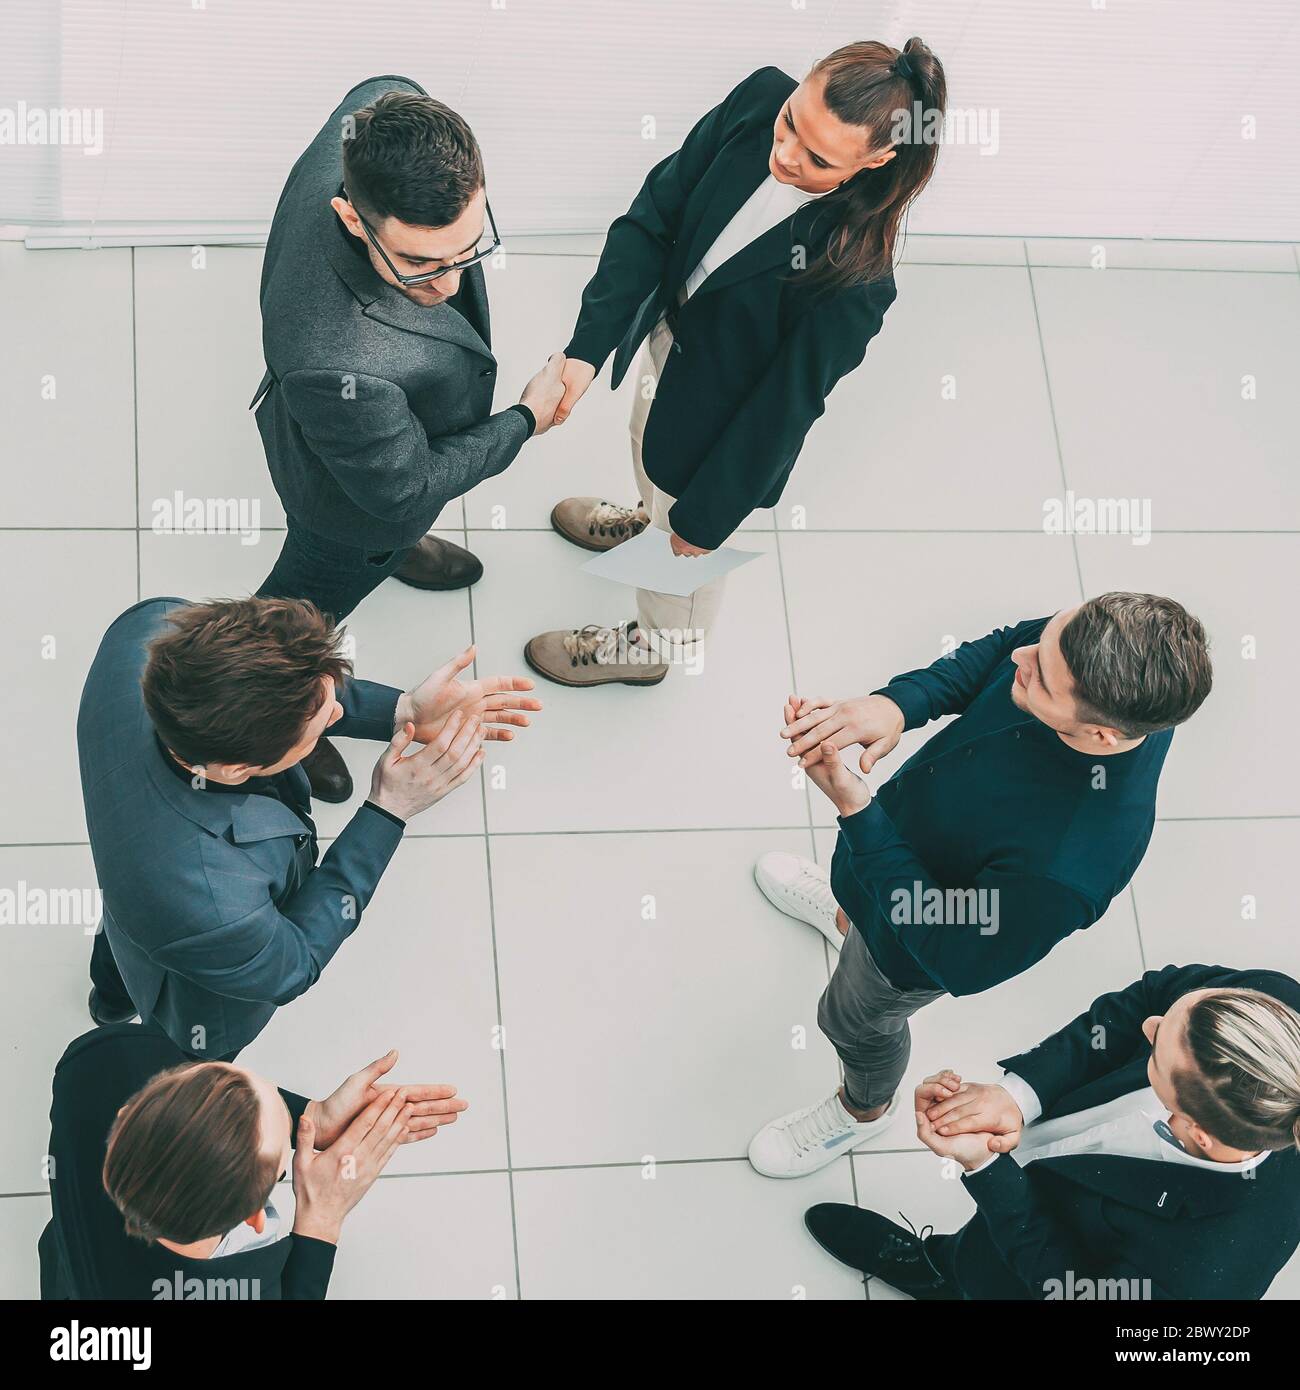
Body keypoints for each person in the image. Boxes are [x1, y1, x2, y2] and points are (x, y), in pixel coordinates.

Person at [524, 39, 945, 688]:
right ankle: (649, 514)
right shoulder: (758, 98)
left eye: (817, 156)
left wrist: (706, 521)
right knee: (645, 446)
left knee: (680, 557)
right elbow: (655, 216)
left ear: (877, 159)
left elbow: (785, 409)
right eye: (790, 125)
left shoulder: (855, 276)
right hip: (668, 343)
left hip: (717, 423)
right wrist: (587, 347)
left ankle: (651, 646)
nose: (784, 155)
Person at [748, 593, 1213, 1177]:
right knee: (858, 895)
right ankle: (850, 914)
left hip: (910, 943)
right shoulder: (1088, 649)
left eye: (1040, 677)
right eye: (1041, 644)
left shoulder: (1071, 864)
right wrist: (899, 703)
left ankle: (862, 1111)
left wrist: (857, 812)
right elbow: (1003, 647)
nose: (1022, 656)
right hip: (900, 852)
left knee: (852, 1019)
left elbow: (949, 949)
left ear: (1101, 737)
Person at [252, 74, 565, 798]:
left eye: (467, 247)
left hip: (384, 445)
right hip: (351, 508)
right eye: (420, 264)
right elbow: (405, 486)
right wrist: (525, 419)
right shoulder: (334, 358)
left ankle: (397, 551)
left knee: (395, 524)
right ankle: (288, 715)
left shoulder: (384, 108)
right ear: (353, 218)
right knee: (300, 609)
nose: (451, 284)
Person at [80, 595, 540, 1059]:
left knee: (120, 939)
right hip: (198, 994)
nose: (336, 713)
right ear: (237, 769)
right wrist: (388, 809)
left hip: (128, 877)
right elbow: (292, 964)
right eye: (317, 728)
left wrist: (401, 711)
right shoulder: (214, 907)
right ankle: (125, 1015)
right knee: (181, 1060)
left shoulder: (148, 630)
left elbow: (297, 688)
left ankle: (109, 998)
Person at [804, 963, 1300, 1301]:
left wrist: (985, 1169)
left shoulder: (1203, 1272)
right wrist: (1017, 1095)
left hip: (1037, 1271)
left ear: (1199, 1131)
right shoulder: (1268, 1005)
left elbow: (1069, 1286)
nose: (1148, 1026)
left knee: (985, 1279)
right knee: (971, 1251)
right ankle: (937, 1263)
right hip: (1045, 1186)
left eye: (1157, 1052)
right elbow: (1146, 1000)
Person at [39, 1022, 465, 1300]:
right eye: (285, 1157)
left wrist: (313, 1116)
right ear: (254, 1218)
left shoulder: (97, 1065)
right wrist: (322, 1220)